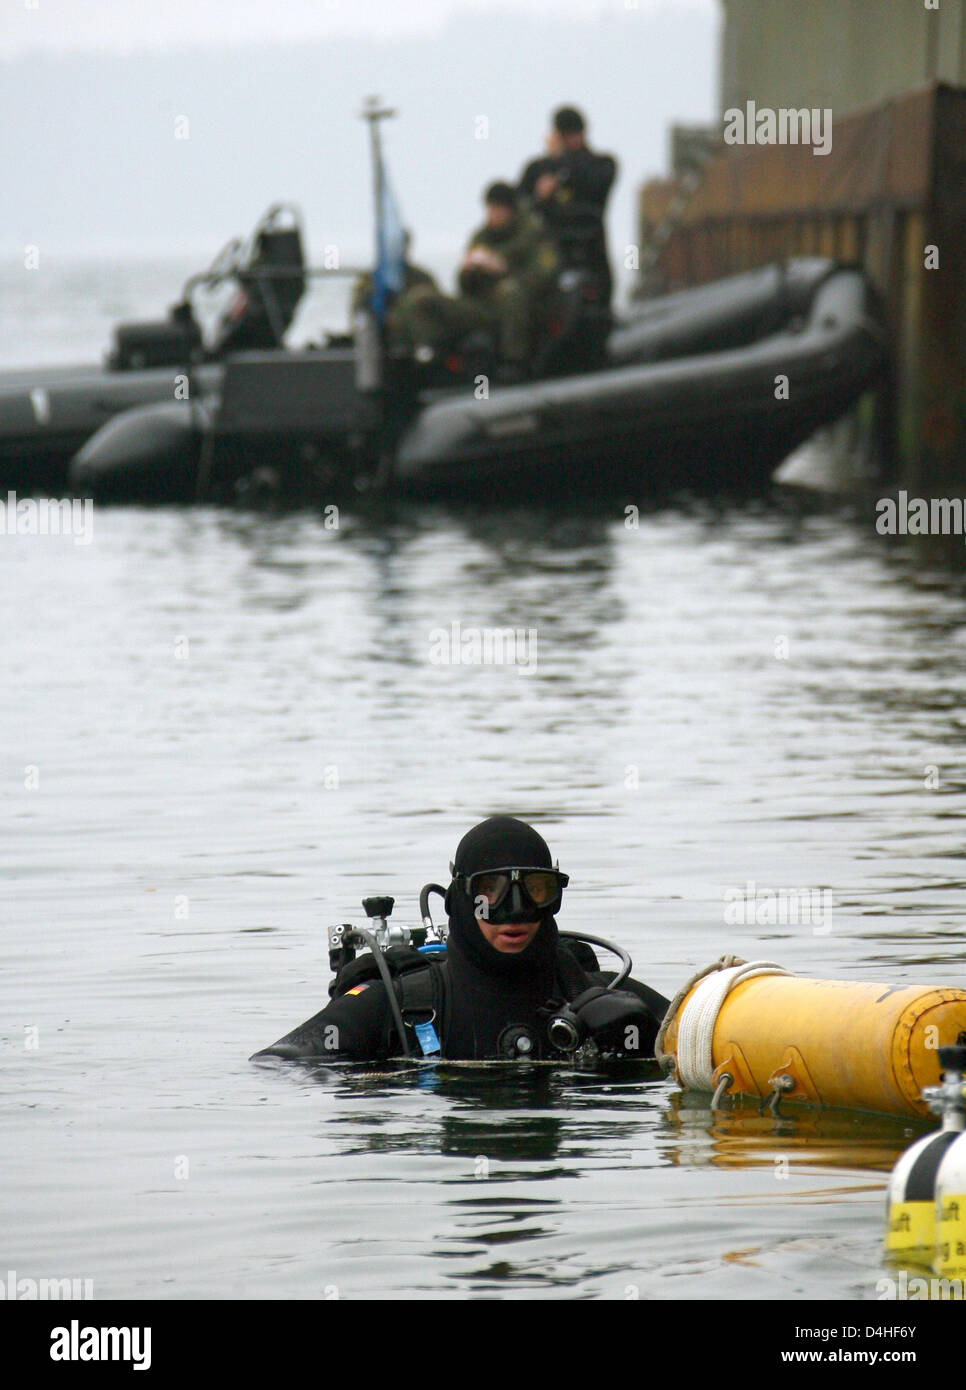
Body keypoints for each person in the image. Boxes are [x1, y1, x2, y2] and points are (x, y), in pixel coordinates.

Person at [252, 816, 669, 1063]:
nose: (516, 910)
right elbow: (275, 1064)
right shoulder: (400, 1005)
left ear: (555, 898)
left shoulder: (607, 998)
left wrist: (643, 1045)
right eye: (492, 891)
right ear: (459, 901)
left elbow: (711, 1040)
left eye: (537, 889)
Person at [389, 183, 559, 380]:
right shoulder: (481, 237)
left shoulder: (534, 236)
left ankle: (514, 362)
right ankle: (431, 357)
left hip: (518, 310)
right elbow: (464, 287)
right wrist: (470, 270)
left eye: (498, 209)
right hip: (481, 308)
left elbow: (544, 275)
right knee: (421, 299)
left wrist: (503, 268)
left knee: (509, 291)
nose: (493, 215)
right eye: (490, 209)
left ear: (511, 211)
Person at [518, 105, 617, 307]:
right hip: (550, 253)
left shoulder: (602, 164)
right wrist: (539, 196)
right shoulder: (537, 169)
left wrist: (562, 162)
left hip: (590, 253)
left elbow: (593, 186)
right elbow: (519, 206)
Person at [349, 229, 439, 320]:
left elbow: (437, 312)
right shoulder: (371, 279)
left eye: (400, 244)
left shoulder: (423, 279)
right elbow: (358, 313)